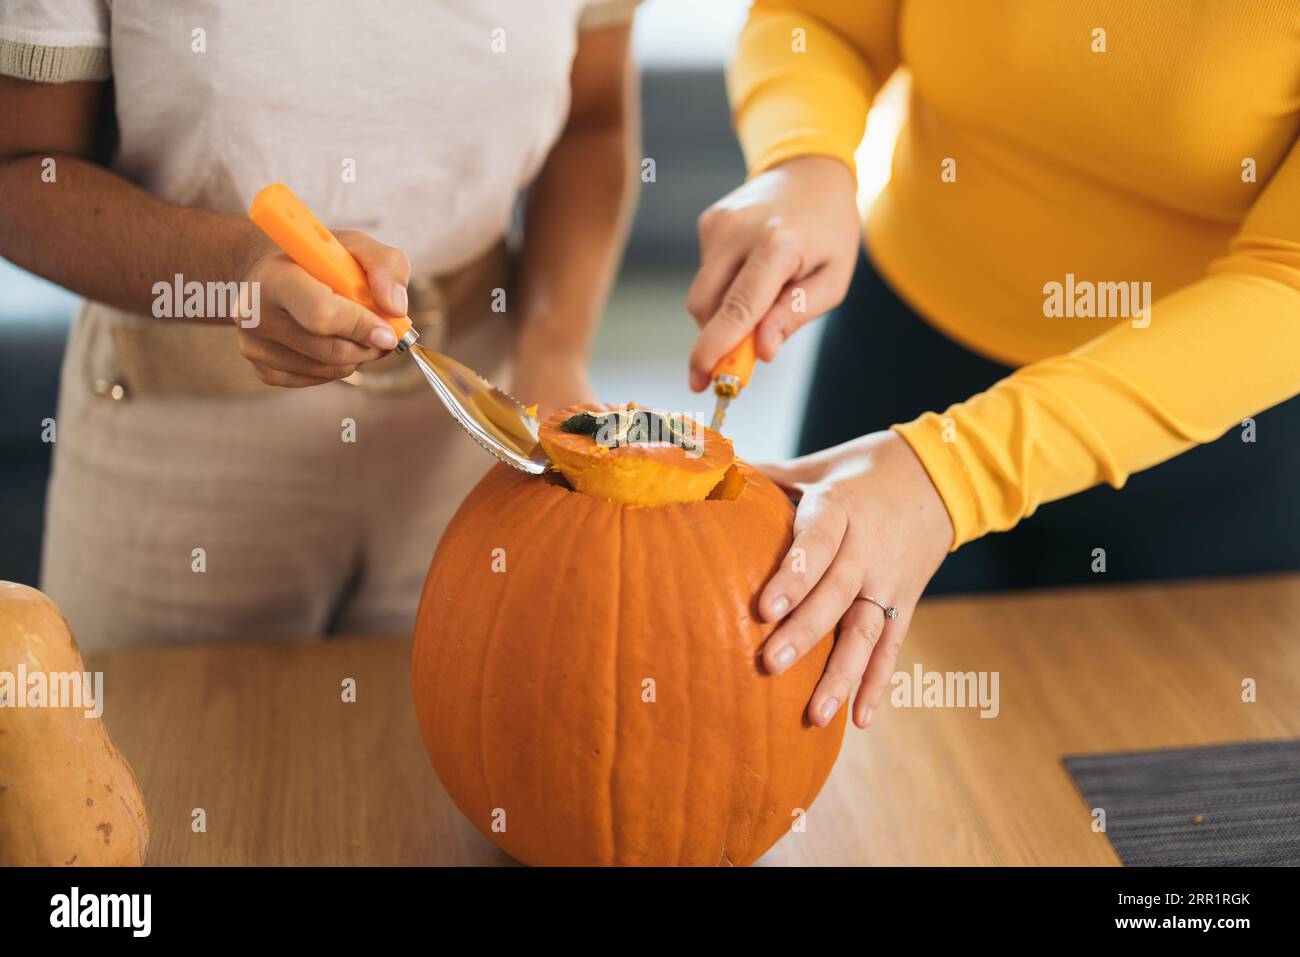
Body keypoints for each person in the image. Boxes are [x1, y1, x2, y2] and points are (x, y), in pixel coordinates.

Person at [686, 1, 1300, 730]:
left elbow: (1287, 279)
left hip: (1201, 444)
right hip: (896, 376)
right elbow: (819, 19)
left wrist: (961, 470)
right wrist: (804, 158)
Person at [0, 0, 640, 649]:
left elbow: (592, 125)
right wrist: (238, 272)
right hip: (177, 442)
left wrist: (555, 348)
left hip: (472, 440)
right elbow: (21, 170)